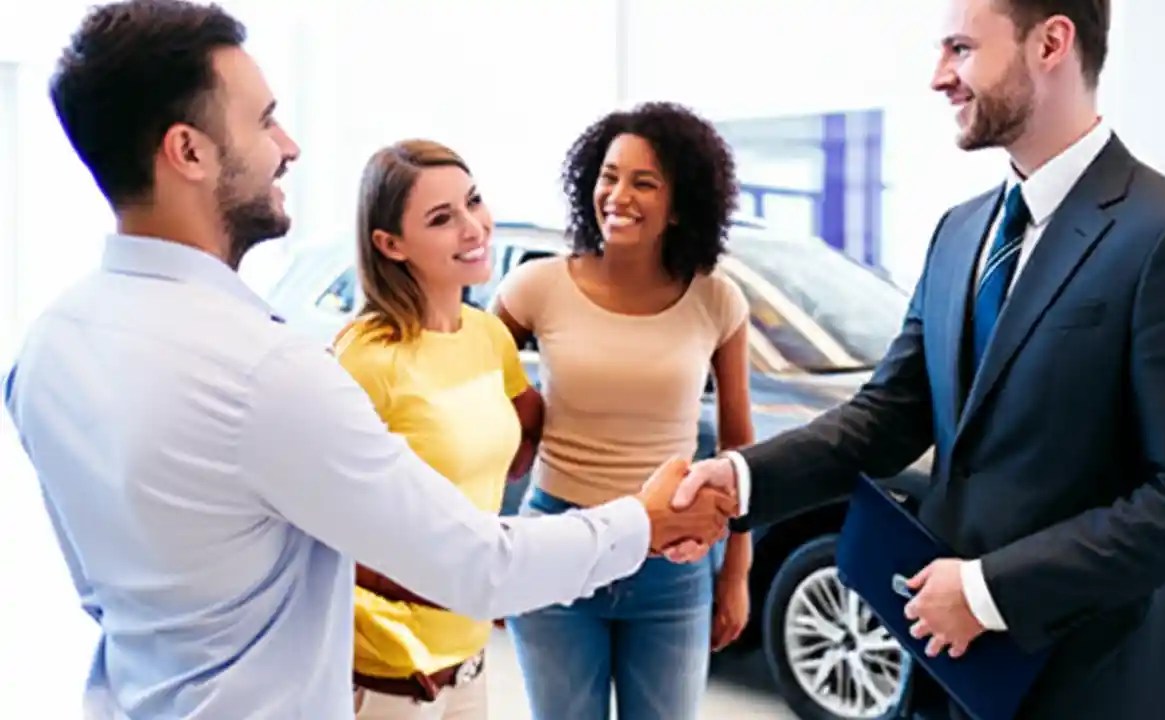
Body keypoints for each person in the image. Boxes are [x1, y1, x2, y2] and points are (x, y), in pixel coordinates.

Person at [1, 2, 735, 718]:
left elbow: (99, 594)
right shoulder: (270, 371)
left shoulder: (47, 349)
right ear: (188, 152)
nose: (288, 145)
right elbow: (478, 567)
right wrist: (643, 519)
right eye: (263, 120)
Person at [672, 1, 1165, 718]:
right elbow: (887, 416)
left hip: (1088, 680)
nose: (938, 78)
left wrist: (988, 591)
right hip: (947, 673)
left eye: (960, 49)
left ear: (1051, 42)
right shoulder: (961, 231)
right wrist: (737, 482)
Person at [491, 101, 754, 719]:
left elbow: (740, 451)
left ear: (680, 202)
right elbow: (473, 404)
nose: (618, 194)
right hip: (557, 545)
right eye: (609, 176)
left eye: (644, 181)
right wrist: (491, 553)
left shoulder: (717, 300)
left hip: (673, 560)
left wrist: (735, 572)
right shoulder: (535, 288)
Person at [333, 139, 541, 719]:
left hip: (469, 658)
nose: (473, 228)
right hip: (381, 673)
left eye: (473, 202)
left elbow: (520, 431)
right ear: (389, 244)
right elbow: (319, 524)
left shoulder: (488, 335)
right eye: (442, 219)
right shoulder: (364, 358)